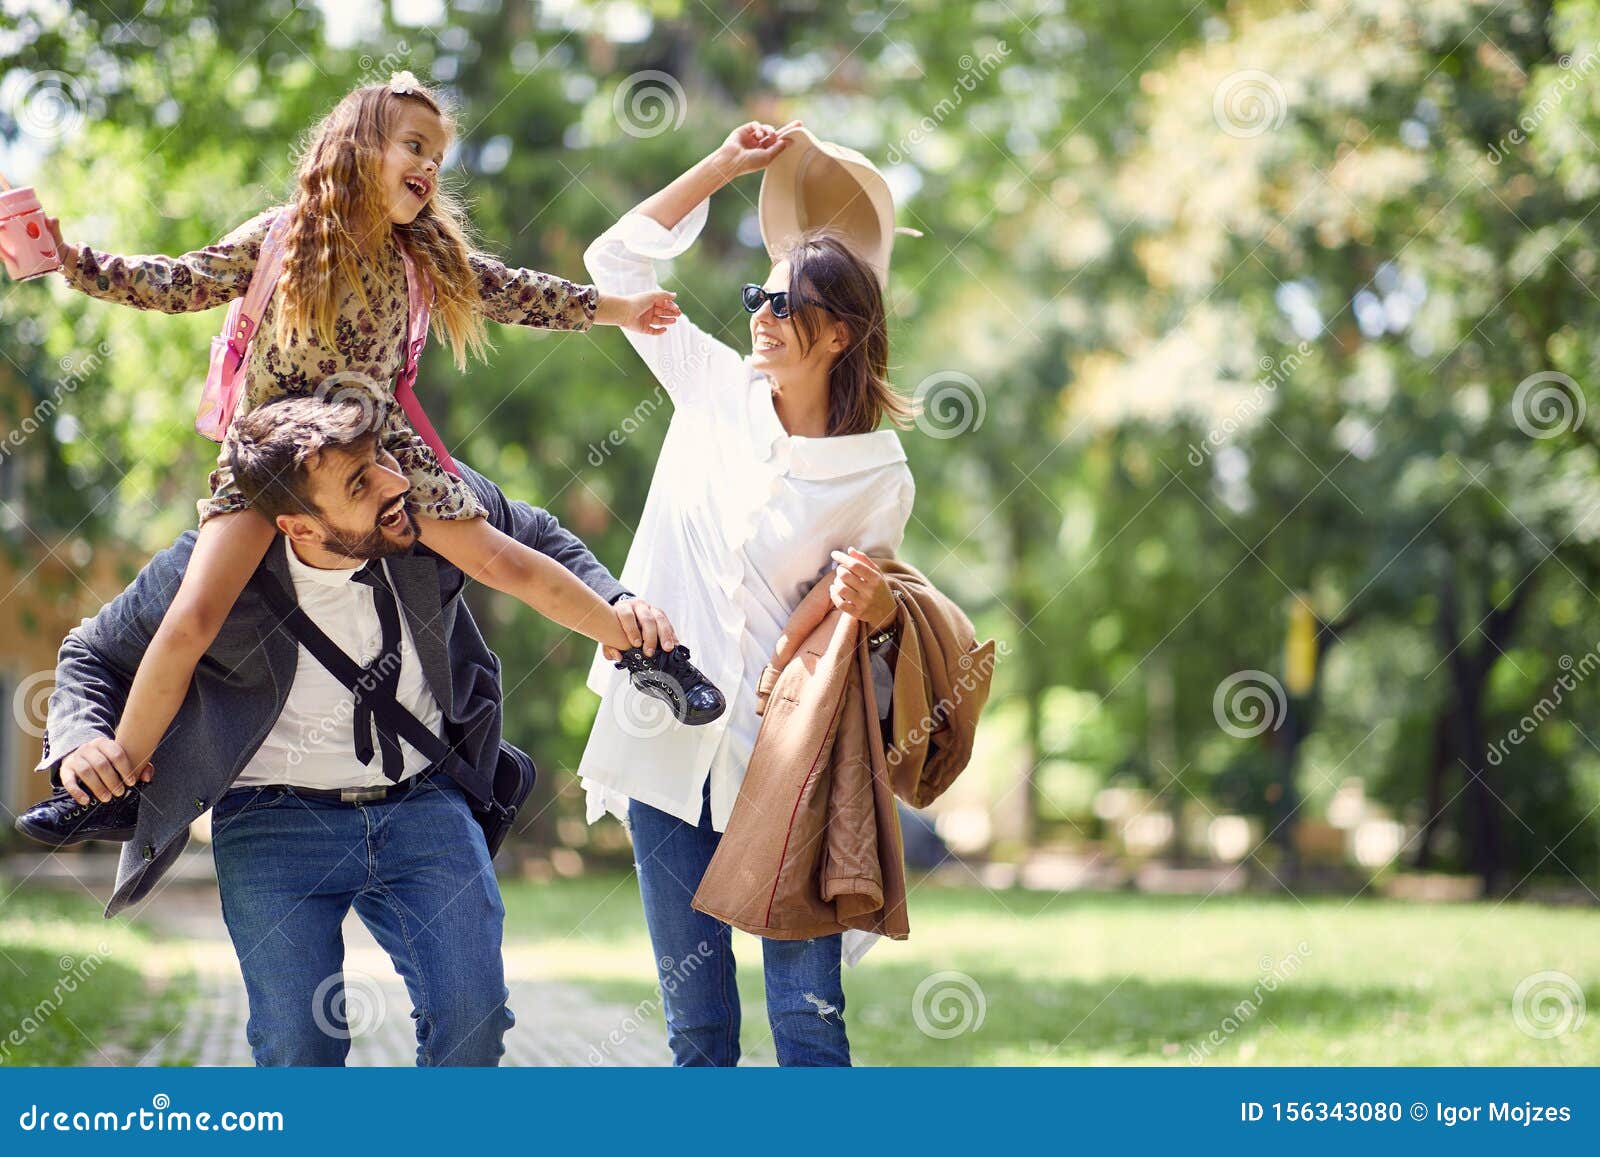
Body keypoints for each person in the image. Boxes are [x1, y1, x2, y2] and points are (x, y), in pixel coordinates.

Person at [36, 73, 718, 814]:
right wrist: (70, 260)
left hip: (374, 442)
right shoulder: (281, 240)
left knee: (495, 554)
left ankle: (643, 651)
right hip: (279, 452)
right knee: (193, 615)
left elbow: (513, 290)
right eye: (414, 145)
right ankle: (106, 784)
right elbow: (175, 281)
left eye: (438, 155)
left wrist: (617, 308)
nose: (429, 166)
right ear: (358, 148)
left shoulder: (420, 257)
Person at [28, 394, 684, 1066]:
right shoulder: (213, 570)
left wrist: (616, 601)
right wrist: (81, 735)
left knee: (473, 1020)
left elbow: (535, 537)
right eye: (359, 484)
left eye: (384, 460)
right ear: (299, 525)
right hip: (272, 820)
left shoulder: (427, 506)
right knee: (298, 1045)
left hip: (423, 801)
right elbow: (93, 653)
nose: (396, 483)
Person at [577, 120, 916, 1066]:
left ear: (840, 333)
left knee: (808, 1022)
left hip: (785, 762)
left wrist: (879, 608)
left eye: (786, 302)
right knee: (698, 1030)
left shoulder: (878, 473)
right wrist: (727, 166)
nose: (760, 312)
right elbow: (615, 258)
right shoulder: (712, 387)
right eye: (757, 294)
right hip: (663, 734)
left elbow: (861, 633)